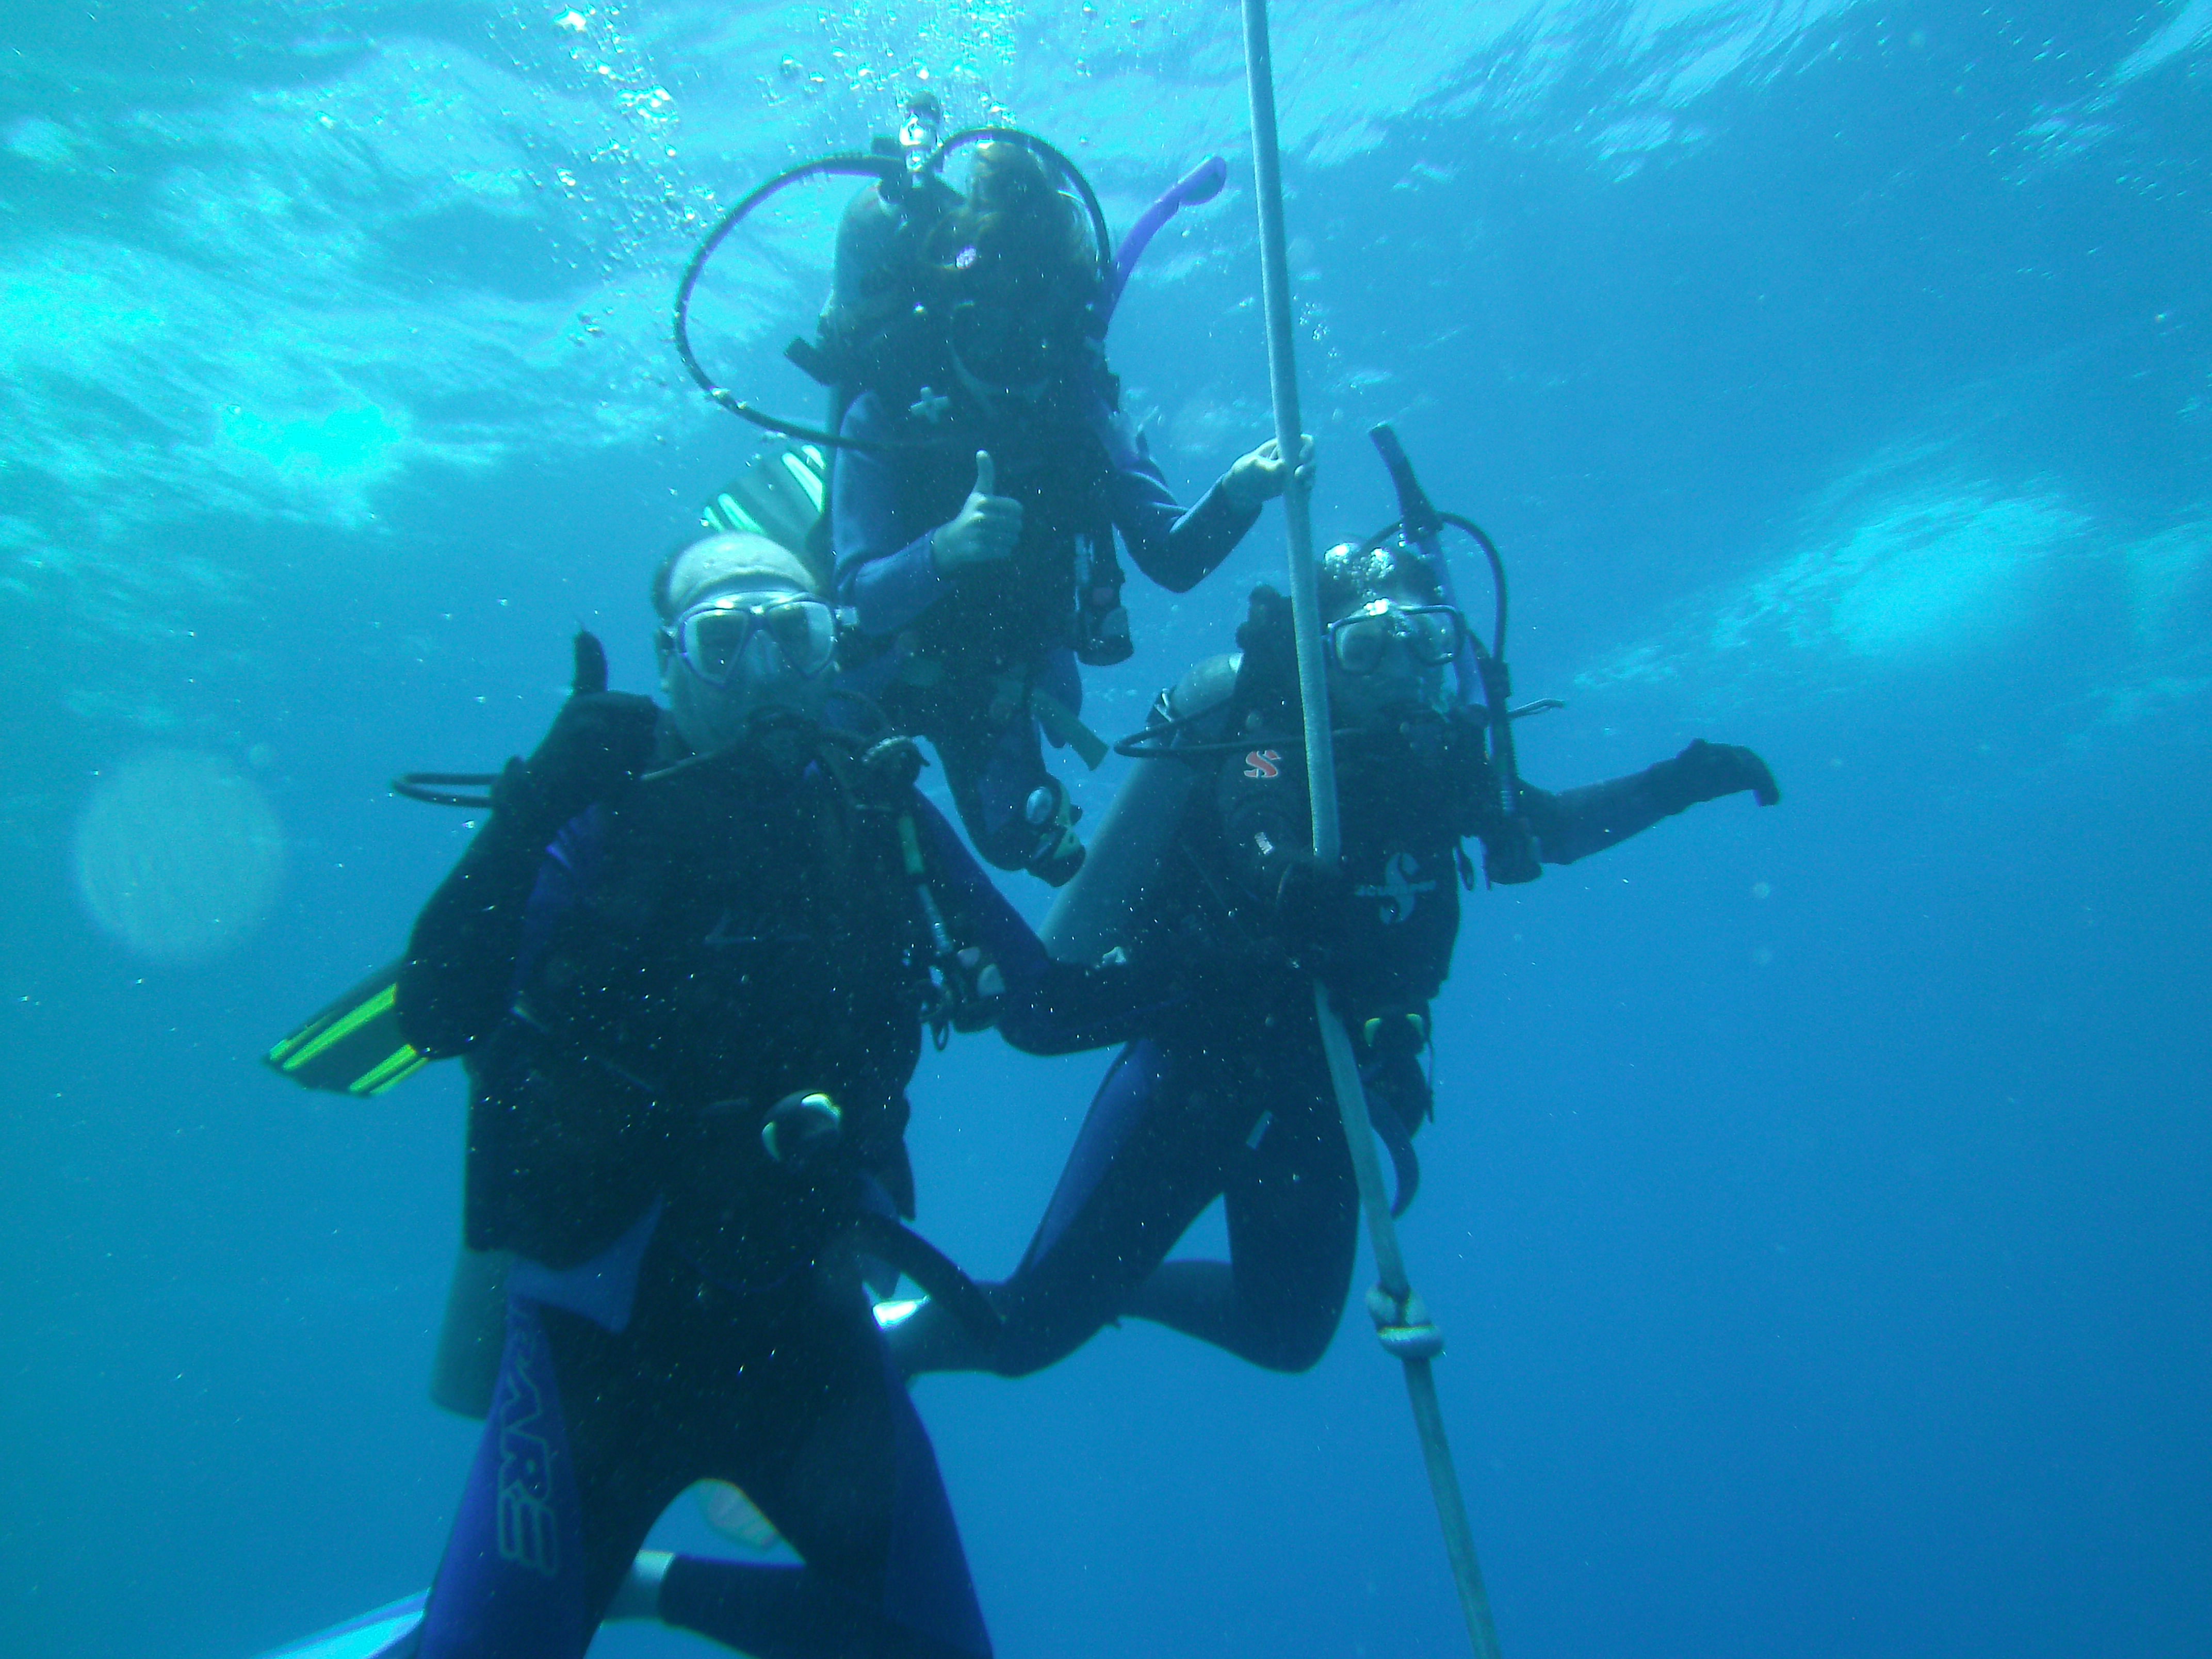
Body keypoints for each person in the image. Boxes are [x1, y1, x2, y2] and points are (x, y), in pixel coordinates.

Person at [390, 529, 1156, 1659]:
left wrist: (1239, 969)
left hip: (804, 1326)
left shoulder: (878, 808)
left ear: (832, 649)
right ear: (667, 660)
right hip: (597, 1344)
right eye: (723, 642)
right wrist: (526, 814)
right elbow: (436, 1017)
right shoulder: (595, 807)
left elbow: (1040, 1006)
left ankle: (645, 1584)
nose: (761, 675)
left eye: (790, 637)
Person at [886, 541, 1782, 1379]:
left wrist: (1677, 783)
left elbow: (1548, 828)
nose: (1395, 672)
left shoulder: (1443, 759)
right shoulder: (1276, 729)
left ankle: (1114, 1292)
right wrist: (1286, 885)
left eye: (1418, 643)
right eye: (1363, 650)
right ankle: (899, 1347)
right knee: (1024, 1332)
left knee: (1285, 1336)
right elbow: (1255, 818)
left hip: (1326, 1082)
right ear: (1321, 658)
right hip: (1205, 1052)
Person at [832, 139, 1308, 884]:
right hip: (884, 667)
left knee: (1024, 846)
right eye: (990, 338)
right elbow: (853, 607)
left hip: (999, 675)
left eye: (1039, 343)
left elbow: (1172, 557)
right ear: (953, 318)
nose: (1016, 378)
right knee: (824, 818)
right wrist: (944, 551)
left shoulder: (1079, 409)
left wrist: (1238, 492)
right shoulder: (886, 409)